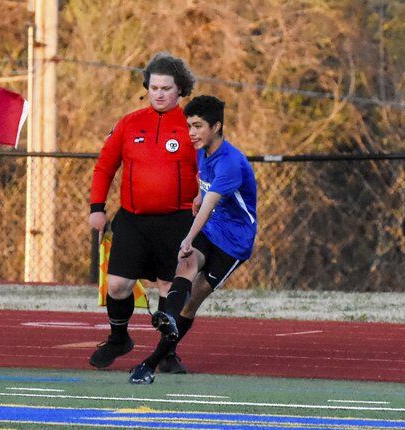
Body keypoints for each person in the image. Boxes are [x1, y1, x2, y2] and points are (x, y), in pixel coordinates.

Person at [129, 95, 258, 384]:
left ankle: (153, 359)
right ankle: (165, 328)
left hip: (234, 242)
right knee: (186, 264)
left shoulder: (232, 162)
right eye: (189, 126)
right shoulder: (202, 152)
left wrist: (188, 236)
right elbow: (206, 190)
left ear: (217, 126)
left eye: (198, 126)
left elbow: (212, 201)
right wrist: (198, 197)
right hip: (212, 228)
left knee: (192, 302)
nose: (192, 133)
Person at [88, 52, 198, 374]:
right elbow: (104, 167)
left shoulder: (191, 126)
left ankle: (167, 352)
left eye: (166, 88)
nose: (160, 93)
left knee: (168, 287)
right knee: (118, 285)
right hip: (133, 220)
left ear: (180, 90)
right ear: (147, 88)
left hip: (176, 221)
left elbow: (210, 171)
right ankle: (119, 339)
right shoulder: (129, 123)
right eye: (154, 87)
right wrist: (97, 208)